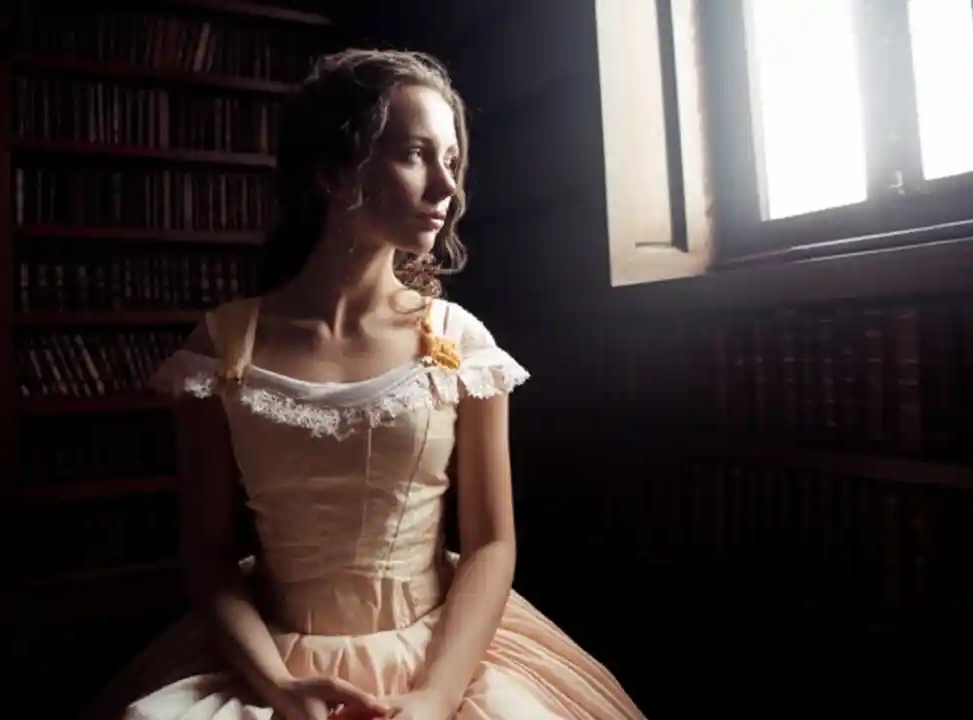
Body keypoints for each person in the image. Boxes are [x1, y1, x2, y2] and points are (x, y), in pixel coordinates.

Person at [85, 48, 647, 720]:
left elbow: (493, 543)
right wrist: (277, 687)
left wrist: (437, 695)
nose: (447, 188)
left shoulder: (460, 344)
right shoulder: (222, 347)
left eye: (452, 160)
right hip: (271, 660)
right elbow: (206, 555)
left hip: (441, 655)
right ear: (332, 168)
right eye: (415, 154)